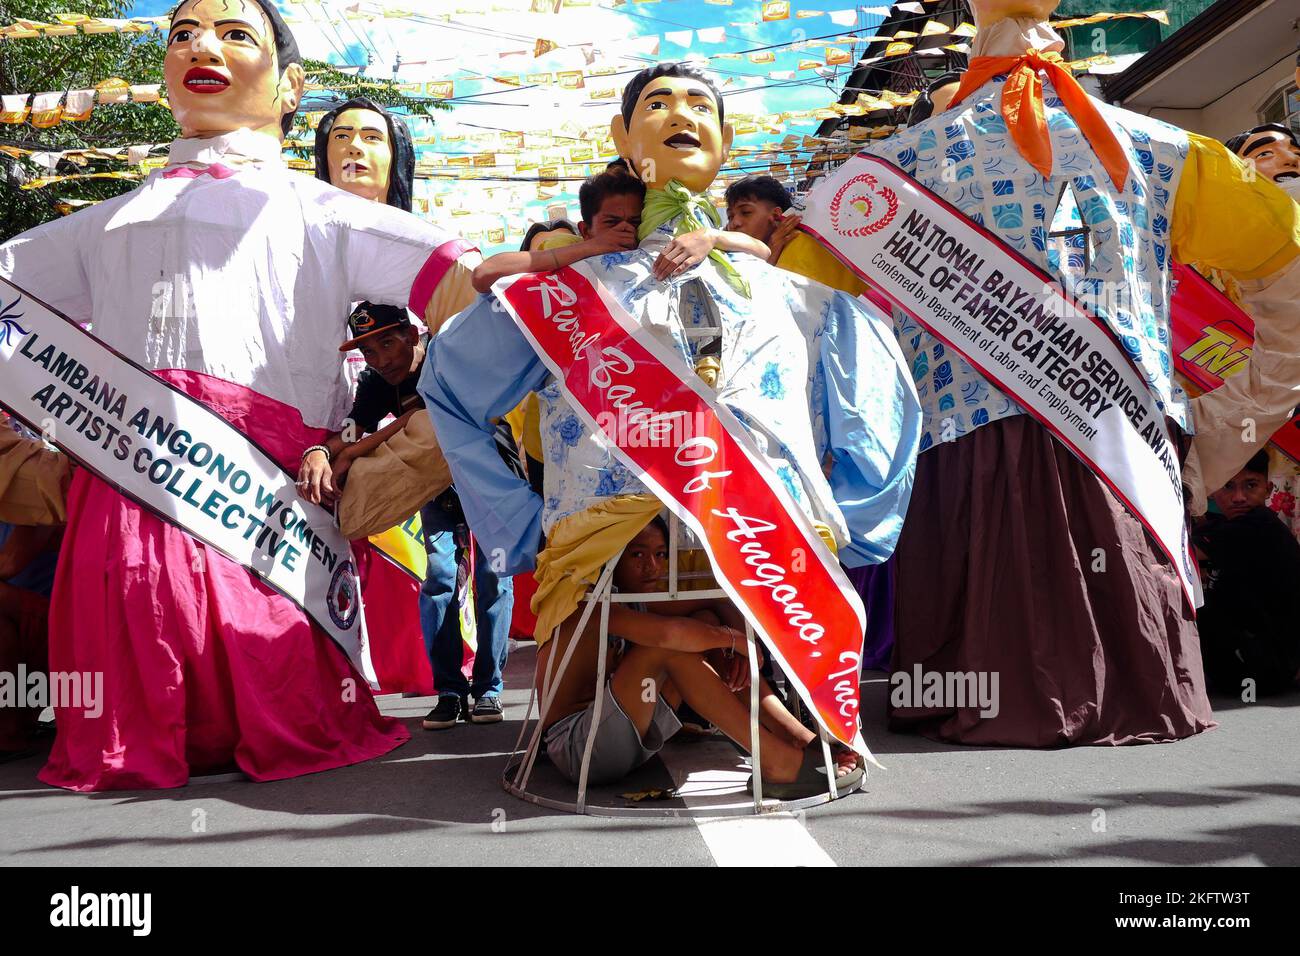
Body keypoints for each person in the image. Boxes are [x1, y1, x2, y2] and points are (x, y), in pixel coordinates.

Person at [0, 0, 479, 790]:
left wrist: (417, 454)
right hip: (126, 479)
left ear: (290, 86)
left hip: (269, 481)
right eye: (181, 34)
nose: (201, 46)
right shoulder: (103, 223)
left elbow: (467, 289)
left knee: (276, 661)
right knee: (136, 634)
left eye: (233, 34)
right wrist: (29, 467)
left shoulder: (322, 213)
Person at [419, 61, 921, 783]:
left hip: (757, 516)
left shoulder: (785, 292)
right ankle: (734, 736)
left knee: (729, 625)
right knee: (604, 666)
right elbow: (450, 380)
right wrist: (513, 514)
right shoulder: (567, 290)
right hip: (608, 530)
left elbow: (878, 387)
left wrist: (854, 513)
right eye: (658, 102)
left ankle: (784, 727)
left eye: (700, 105)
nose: (681, 112)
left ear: (726, 138)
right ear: (623, 135)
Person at [825, 0, 1299, 745]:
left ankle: (957, 689)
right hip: (1120, 433)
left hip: (965, 437)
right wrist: (1224, 427)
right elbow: (1288, 276)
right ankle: (1134, 687)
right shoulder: (1171, 153)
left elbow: (803, 306)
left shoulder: (886, 173)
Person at [541, 516, 862, 794]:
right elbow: (669, 635)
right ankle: (779, 764)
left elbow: (718, 606)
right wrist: (733, 639)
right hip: (581, 751)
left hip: (629, 738)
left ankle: (796, 736)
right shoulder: (586, 606)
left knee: (703, 623)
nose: (651, 566)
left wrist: (741, 653)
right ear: (613, 558)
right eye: (636, 554)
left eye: (660, 554)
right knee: (670, 647)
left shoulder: (633, 597)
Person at [1193, 451, 1300, 695]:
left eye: (1250, 485)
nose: (1239, 497)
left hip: (1261, 667)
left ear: (1268, 489)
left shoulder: (1257, 525)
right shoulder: (1228, 525)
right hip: (1267, 658)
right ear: (1213, 491)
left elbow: (1184, 552)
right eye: (1228, 486)